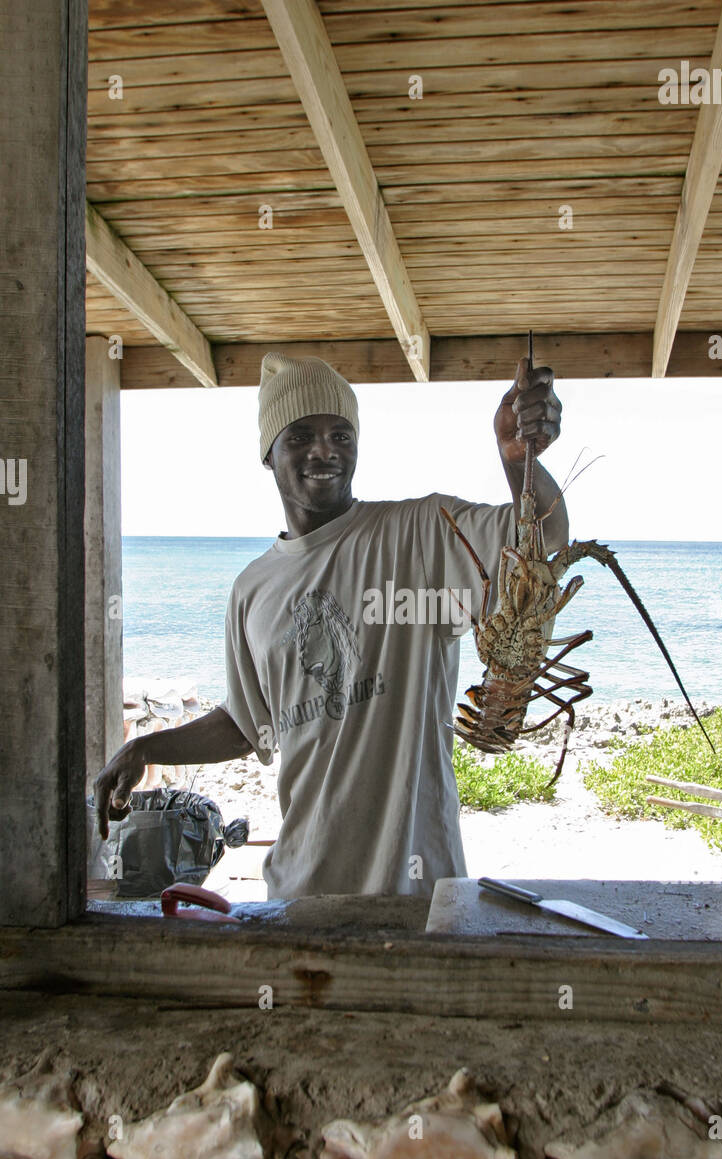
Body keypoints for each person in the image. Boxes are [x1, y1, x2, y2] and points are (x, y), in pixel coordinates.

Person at [94, 352, 567, 899]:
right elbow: (248, 724)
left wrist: (517, 458)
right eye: (300, 436)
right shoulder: (252, 589)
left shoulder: (421, 535)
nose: (324, 450)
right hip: (300, 891)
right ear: (268, 454)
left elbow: (544, 539)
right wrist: (147, 748)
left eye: (341, 434)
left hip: (419, 893)